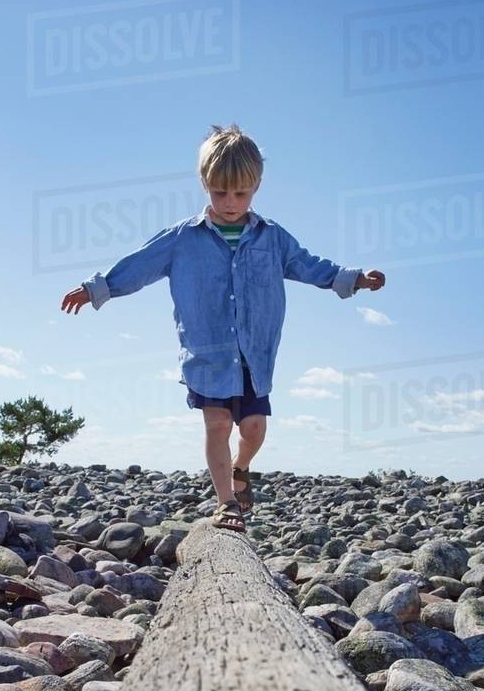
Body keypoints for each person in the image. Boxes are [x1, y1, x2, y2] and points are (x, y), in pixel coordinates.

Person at [61, 123, 385, 534]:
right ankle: (225, 502)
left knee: (253, 427)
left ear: (257, 186)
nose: (230, 202)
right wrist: (97, 288)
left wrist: (354, 278)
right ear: (204, 184)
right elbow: (139, 265)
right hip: (208, 354)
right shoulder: (183, 238)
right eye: (219, 193)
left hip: (254, 353)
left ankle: (241, 466)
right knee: (217, 424)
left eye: (240, 193)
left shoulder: (273, 238)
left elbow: (310, 265)